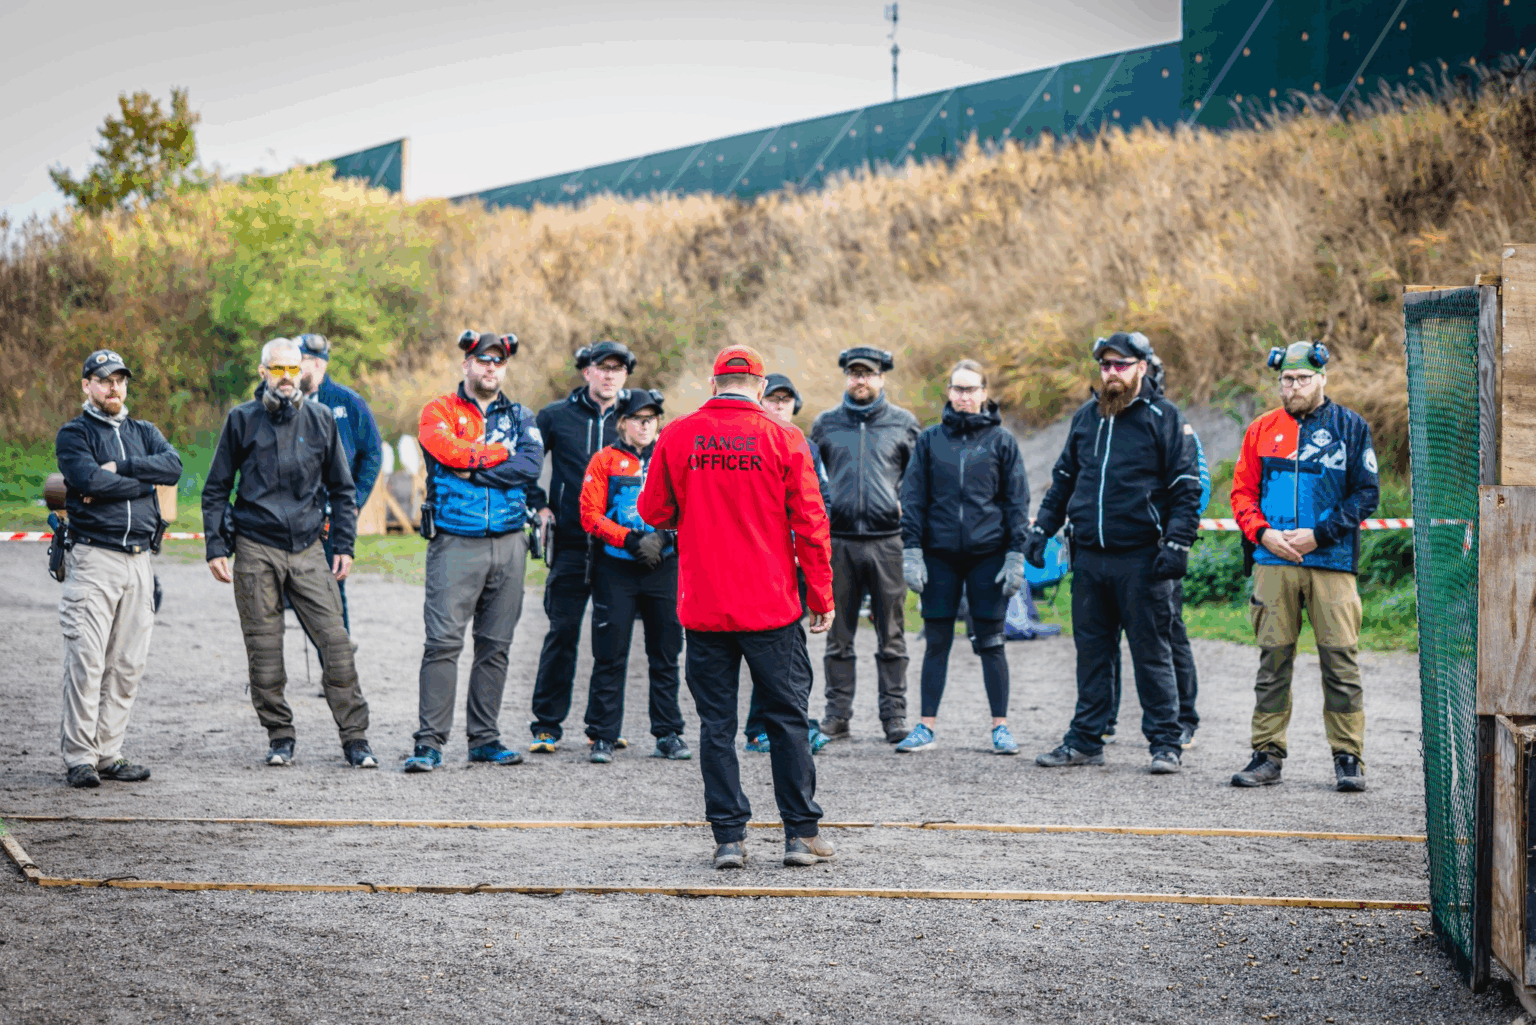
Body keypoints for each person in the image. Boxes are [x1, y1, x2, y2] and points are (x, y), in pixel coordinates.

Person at [638, 345, 836, 870]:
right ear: (760, 384)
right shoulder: (783, 437)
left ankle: (729, 838)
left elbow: (653, 509)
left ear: (712, 382)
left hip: (704, 604)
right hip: (770, 604)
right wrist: (821, 594)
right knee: (788, 718)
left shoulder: (679, 435)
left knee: (716, 725)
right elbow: (812, 526)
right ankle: (800, 834)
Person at [1027, 331, 1201, 775]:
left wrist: (1178, 543)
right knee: (1092, 653)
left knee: (1152, 653)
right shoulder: (1087, 418)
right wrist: (1042, 529)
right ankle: (1086, 739)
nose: (1112, 373)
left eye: (1121, 365)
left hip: (1143, 559)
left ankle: (1165, 743)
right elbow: (1064, 479)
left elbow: (1186, 487)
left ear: (1142, 366)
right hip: (1089, 557)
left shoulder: (1165, 417)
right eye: (1106, 365)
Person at [202, 337, 376, 769]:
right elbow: (216, 488)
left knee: (337, 645)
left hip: (308, 548)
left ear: (303, 372)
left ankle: (356, 739)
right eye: (277, 369)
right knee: (264, 652)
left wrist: (345, 545)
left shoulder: (320, 419)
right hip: (255, 548)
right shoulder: (241, 420)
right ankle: (280, 736)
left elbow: (343, 488)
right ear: (262, 373)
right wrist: (215, 546)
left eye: (292, 369)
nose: (285, 378)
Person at [1229, 341, 1379, 792]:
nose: (1292, 387)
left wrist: (1321, 533)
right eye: (1286, 380)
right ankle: (1266, 754)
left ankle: (1348, 757)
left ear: (1322, 379)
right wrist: (1263, 533)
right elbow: (1241, 494)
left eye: (1301, 379)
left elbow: (1366, 494)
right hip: (1272, 561)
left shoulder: (1351, 427)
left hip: (1331, 562)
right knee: (1273, 659)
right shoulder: (1260, 429)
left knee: (1340, 660)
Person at [404, 330, 543, 773]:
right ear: (466, 363)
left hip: (509, 541)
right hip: (454, 540)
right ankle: (429, 743)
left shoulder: (522, 415)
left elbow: (531, 466)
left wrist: (474, 467)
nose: (490, 368)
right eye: (482, 360)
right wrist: (494, 457)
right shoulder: (438, 409)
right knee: (443, 643)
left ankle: (484, 739)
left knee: (495, 646)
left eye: (497, 362)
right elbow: (442, 450)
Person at [54, 349, 183, 788]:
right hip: (94, 558)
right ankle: (79, 758)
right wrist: (143, 483)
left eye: (120, 380)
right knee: (87, 662)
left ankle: (109, 753)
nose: (114, 388)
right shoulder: (74, 434)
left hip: (140, 560)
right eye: (105, 380)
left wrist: (123, 470)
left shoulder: (144, 431)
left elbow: (174, 467)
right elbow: (88, 481)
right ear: (86, 385)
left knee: (128, 664)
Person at [896, 360, 1029, 755]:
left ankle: (1000, 727)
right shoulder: (930, 440)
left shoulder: (1002, 442)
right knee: (936, 641)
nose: (965, 396)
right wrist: (913, 551)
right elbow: (914, 497)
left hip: (988, 556)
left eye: (972, 389)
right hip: (939, 557)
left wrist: (1015, 555)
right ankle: (925, 727)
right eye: (958, 389)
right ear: (949, 393)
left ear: (984, 393)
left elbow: (1016, 502)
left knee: (991, 642)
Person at [526, 340, 636, 752]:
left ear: (626, 375)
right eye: (601, 367)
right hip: (571, 543)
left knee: (613, 639)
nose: (609, 375)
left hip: (619, 548)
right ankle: (546, 725)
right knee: (562, 632)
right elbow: (528, 467)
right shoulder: (555, 416)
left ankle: (603, 727)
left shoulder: (634, 417)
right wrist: (539, 506)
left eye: (617, 368)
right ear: (586, 371)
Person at [810, 346, 919, 744]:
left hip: (887, 542)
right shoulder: (825, 425)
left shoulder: (904, 424)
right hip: (837, 543)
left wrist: (903, 512)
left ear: (882, 378)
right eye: (854, 374)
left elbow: (916, 479)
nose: (861, 380)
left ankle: (894, 716)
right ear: (846, 377)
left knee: (891, 634)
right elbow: (810, 480)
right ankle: (837, 715)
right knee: (838, 634)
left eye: (868, 374)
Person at [1102, 353, 1211, 749]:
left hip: (1160, 551)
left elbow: (1198, 485)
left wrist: (1174, 536)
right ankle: (1104, 718)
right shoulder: (1113, 420)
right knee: (1105, 637)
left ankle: (1184, 719)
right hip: (1116, 553)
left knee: (1169, 635)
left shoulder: (1174, 423)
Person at [578, 388, 691, 764]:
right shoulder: (604, 460)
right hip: (616, 567)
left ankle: (668, 732)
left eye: (652, 419)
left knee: (666, 652)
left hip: (664, 565)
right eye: (638, 419)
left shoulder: (672, 457)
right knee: (610, 653)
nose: (645, 426)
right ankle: (603, 735)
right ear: (622, 422)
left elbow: (691, 506)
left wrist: (664, 536)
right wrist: (628, 540)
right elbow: (589, 514)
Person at [744, 372, 833, 754]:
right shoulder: (750, 440)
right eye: (773, 399)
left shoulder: (805, 445)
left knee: (790, 651)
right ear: (760, 399)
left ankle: (789, 722)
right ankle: (760, 727)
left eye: (786, 400)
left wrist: (805, 550)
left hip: (795, 563)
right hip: (759, 562)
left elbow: (822, 503)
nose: (779, 405)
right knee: (769, 650)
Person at [296, 333, 383, 633]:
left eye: (300, 362)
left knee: (331, 591)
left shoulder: (349, 402)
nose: (292, 369)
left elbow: (372, 453)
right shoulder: (281, 400)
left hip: (332, 516)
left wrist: (355, 501)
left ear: (319, 364)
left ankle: (337, 666)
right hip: (289, 515)